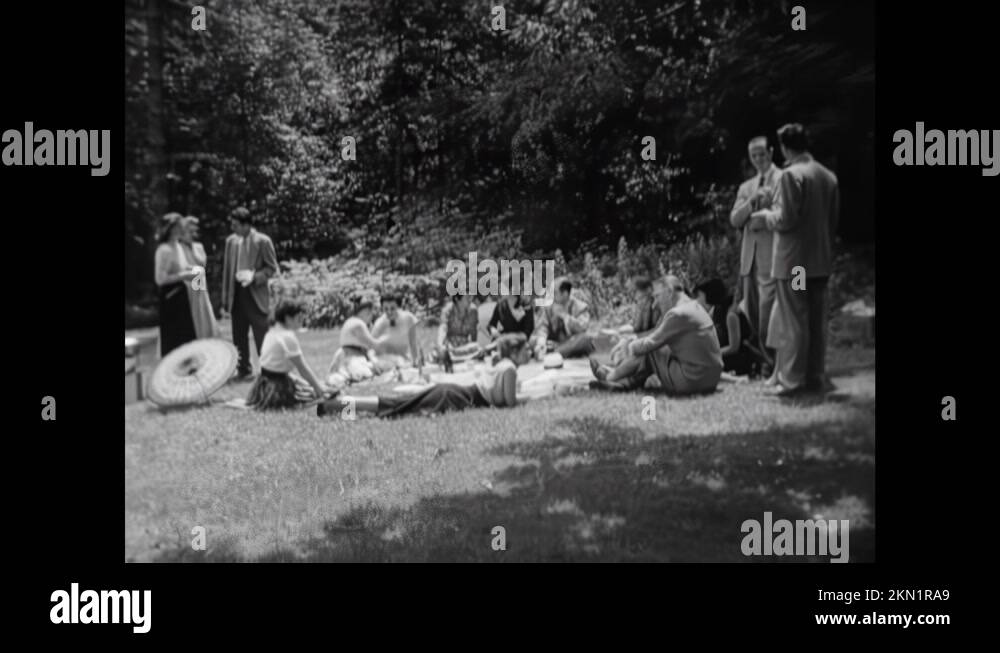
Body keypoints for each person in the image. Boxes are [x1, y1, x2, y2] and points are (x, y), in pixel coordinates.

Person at [752, 123, 840, 396]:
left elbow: (787, 218)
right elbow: (833, 221)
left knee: (794, 319)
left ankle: (791, 380)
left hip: (796, 264)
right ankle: (815, 377)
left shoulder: (791, 176)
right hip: (820, 261)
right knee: (816, 322)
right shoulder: (828, 176)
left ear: (785, 148)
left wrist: (765, 217)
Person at [317, 333, 530, 419]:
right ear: (515, 352)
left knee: (396, 405)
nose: (529, 353)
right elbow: (510, 403)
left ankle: (336, 407)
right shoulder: (509, 367)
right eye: (525, 350)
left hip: (451, 393)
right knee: (395, 405)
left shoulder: (502, 363)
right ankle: (335, 406)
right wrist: (534, 397)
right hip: (453, 397)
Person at [590, 275, 723, 395]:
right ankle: (621, 382)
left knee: (650, 349)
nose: (655, 304)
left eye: (657, 296)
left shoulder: (678, 314)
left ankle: (611, 377)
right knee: (654, 349)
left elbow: (649, 344)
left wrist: (629, 346)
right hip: (710, 380)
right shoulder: (695, 307)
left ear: (669, 292)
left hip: (693, 382)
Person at [730, 135, 780, 376]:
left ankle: (773, 362)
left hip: (772, 257)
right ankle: (763, 363)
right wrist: (750, 204)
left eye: (762, 154)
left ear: (771, 152)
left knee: (768, 312)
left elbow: (782, 215)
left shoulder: (782, 179)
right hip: (749, 259)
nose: (758, 159)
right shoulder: (746, 187)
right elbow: (735, 219)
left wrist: (759, 218)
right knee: (751, 312)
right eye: (754, 156)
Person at [221, 207, 279, 381]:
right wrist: (225, 299)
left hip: (255, 292)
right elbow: (227, 271)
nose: (233, 228)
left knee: (261, 333)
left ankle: (268, 369)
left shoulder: (262, 241)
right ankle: (243, 370)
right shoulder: (231, 242)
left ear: (247, 225)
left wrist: (255, 277)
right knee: (238, 334)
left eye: (236, 225)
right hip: (237, 293)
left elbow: (271, 268)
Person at [246, 300, 327, 410]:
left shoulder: (272, 332)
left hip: (263, 385)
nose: (302, 322)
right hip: (277, 389)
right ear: (288, 318)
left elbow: (273, 368)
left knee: (307, 388)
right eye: (299, 319)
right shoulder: (287, 336)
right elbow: (303, 368)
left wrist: (307, 384)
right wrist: (319, 390)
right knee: (310, 395)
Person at [693, 278, 763, 377]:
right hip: (725, 354)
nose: (698, 300)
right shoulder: (716, 310)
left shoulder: (731, 315)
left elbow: (734, 347)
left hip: (740, 357)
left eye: (700, 295)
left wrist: (711, 354)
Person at [154, 212, 198, 356]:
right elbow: (160, 279)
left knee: (186, 338)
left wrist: (192, 272)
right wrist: (184, 275)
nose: (183, 230)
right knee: (173, 340)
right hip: (169, 298)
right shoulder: (164, 250)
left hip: (181, 296)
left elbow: (182, 268)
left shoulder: (178, 246)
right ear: (171, 229)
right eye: (179, 227)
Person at [327, 298, 393, 383]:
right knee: (388, 367)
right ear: (367, 312)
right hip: (353, 359)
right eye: (371, 314)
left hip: (347, 357)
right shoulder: (358, 324)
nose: (371, 318)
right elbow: (373, 345)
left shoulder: (351, 321)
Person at [531, 277, 593, 358]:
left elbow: (582, 327)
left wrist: (564, 316)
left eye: (555, 293)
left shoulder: (581, 307)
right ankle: (547, 351)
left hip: (571, 342)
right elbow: (543, 326)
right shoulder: (548, 307)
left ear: (565, 294)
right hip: (553, 343)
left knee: (585, 338)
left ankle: (555, 353)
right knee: (532, 339)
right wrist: (541, 341)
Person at [180, 216, 220, 339]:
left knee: (202, 312)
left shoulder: (198, 246)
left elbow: (202, 263)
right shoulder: (178, 248)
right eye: (190, 232)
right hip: (186, 285)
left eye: (194, 232)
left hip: (198, 284)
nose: (193, 235)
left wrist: (192, 249)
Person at [371, 294, 420, 366]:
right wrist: (373, 360)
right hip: (384, 360)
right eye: (386, 309)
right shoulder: (379, 323)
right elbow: (370, 346)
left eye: (392, 308)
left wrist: (416, 360)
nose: (389, 312)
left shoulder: (408, 318)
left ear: (399, 307)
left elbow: (413, 343)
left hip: (403, 360)